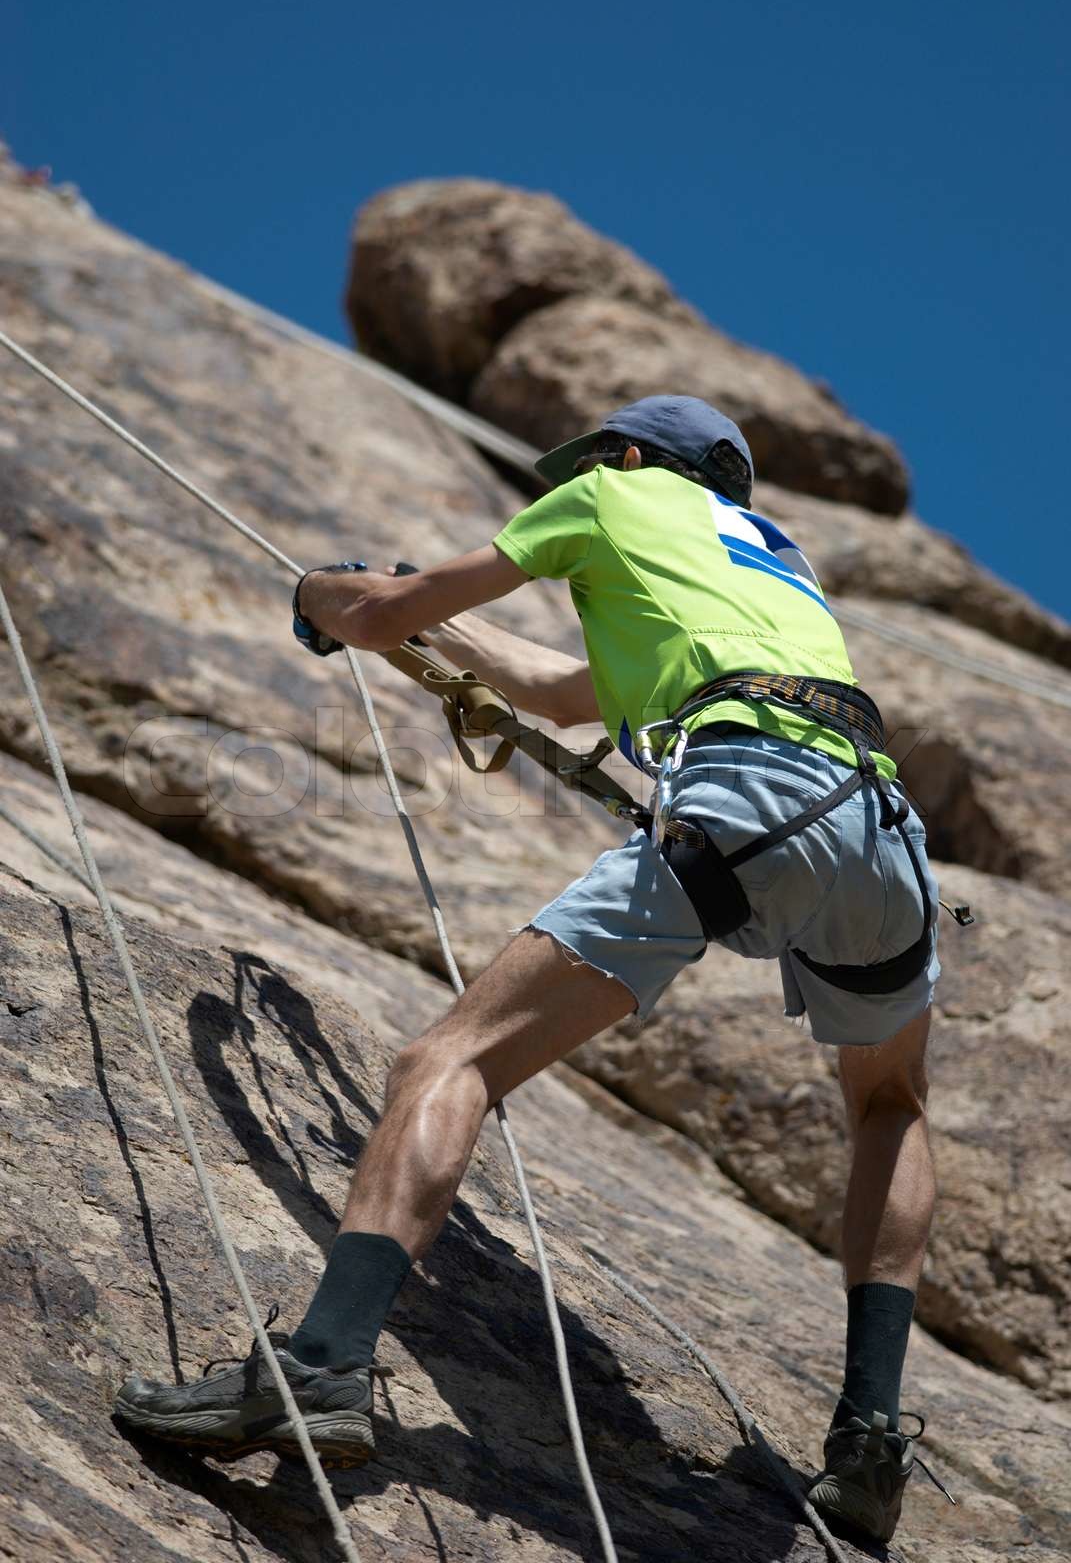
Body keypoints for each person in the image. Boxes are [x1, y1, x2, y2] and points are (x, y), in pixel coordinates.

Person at [115, 395, 940, 1544]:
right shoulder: (771, 572)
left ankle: (319, 1366)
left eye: (597, 461)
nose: (579, 477)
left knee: (447, 1060)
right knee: (890, 1101)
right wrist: (436, 635)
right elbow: (562, 693)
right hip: (878, 822)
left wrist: (327, 597)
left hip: (749, 794)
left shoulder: (612, 494)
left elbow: (387, 610)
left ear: (636, 459)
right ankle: (871, 1439)